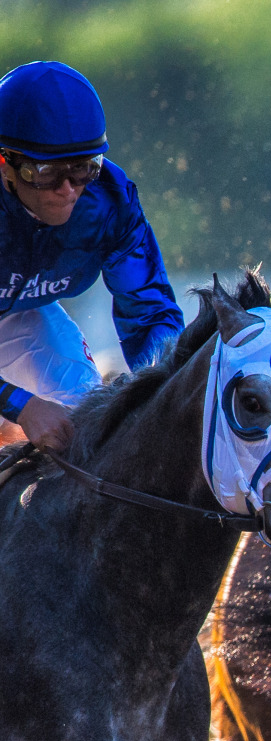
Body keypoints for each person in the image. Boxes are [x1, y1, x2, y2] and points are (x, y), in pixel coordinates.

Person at [0, 61, 182, 453]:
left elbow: (149, 314)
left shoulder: (111, 201)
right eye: (46, 172)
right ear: (5, 162)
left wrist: (170, 398)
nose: (67, 189)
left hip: (18, 318)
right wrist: (21, 405)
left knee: (86, 421)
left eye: (84, 168)